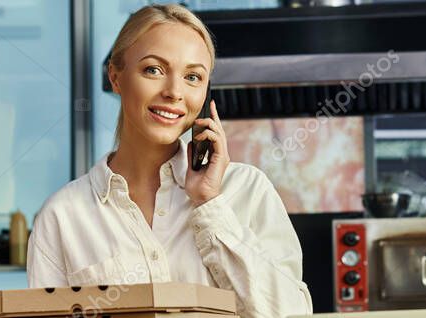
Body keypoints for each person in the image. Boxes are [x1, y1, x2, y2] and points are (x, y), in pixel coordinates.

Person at [26, 4, 313, 317]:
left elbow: (291, 313)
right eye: (153, 70)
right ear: (115, 77)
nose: (175, 92)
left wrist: (209, 205)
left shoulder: (247, 190)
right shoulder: (62, 216)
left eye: (193, 77)